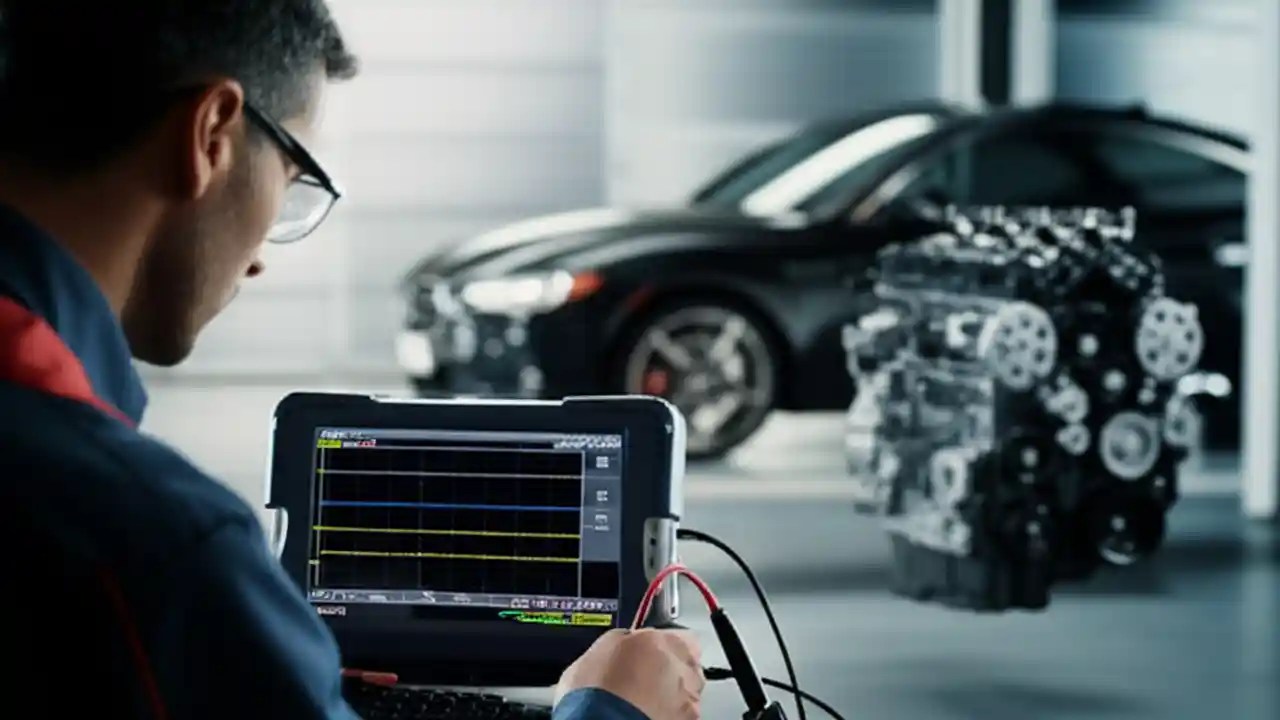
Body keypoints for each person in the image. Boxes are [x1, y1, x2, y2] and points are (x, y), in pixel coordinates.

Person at [0, 1, 704, 718]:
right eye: (292, 177)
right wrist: (612, 711)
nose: (258, 264)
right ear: (210, 132)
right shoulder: (150, 546)